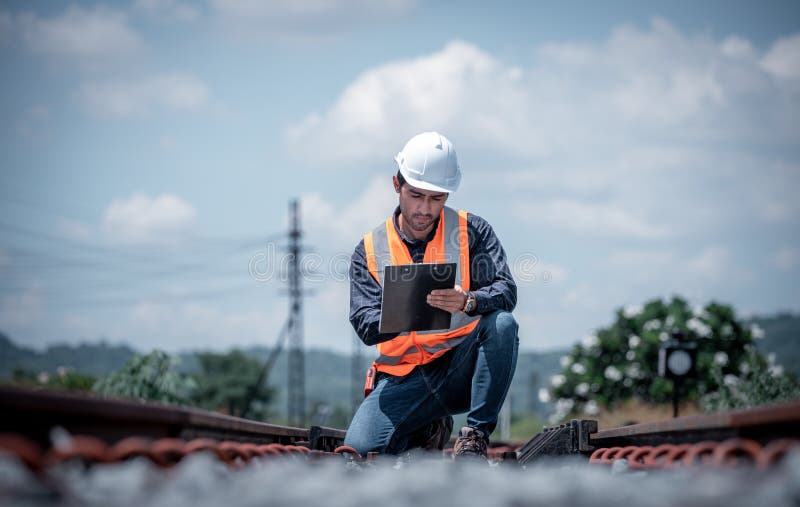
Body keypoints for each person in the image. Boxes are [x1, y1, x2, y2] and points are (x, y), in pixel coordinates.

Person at [344, 131, 519, 458]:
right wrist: (409, 307)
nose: (424, 209)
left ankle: (475, 437)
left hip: (460, 372)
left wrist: (470, 301)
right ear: (397, 185)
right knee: (360, 451)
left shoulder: (472, 232)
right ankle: (427, 427)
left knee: (503, 324)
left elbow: (506, 291)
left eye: (436, 198)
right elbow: (365, 325)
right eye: (416, 195)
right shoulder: (369, 250)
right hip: (403, 378)